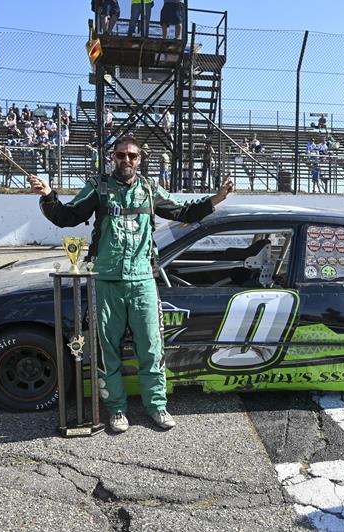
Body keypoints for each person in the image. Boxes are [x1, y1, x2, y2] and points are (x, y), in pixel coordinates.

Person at [28, 136, 234, 433]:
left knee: (151, 347)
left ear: (140, 159)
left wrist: (218, 198)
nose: (126, 160)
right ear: (113, 157)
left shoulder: (150, 189)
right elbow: (67, 216)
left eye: (132, 156)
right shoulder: (98, 187)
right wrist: (48, 195)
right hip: (106, 280)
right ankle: (116, 409)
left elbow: (183, 212)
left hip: (142, 280)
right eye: (121, 155)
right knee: (107, 349)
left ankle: (157, 406)